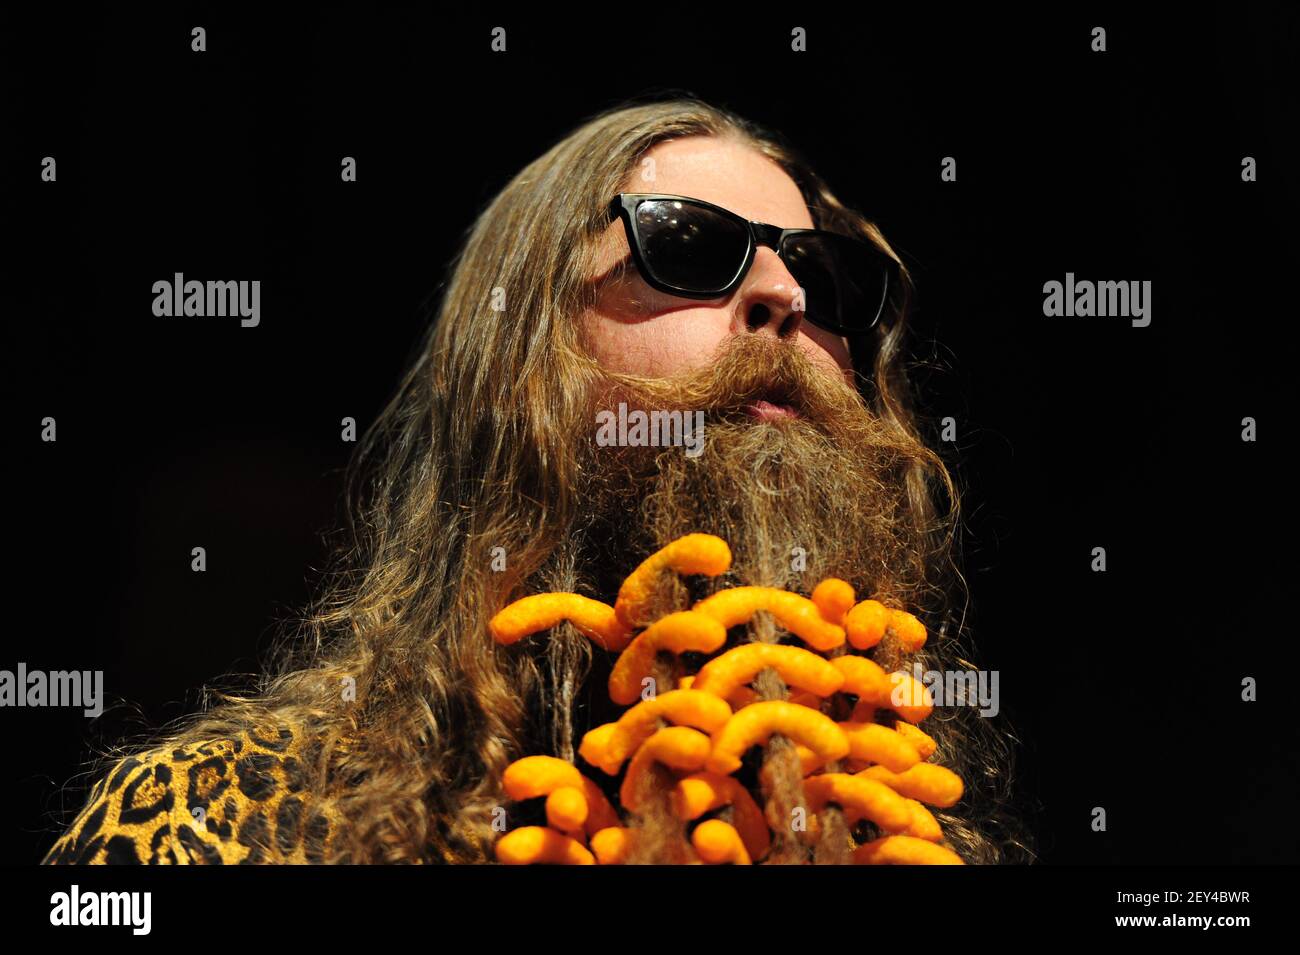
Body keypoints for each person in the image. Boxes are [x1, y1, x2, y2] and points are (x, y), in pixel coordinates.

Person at [42, 96, 1033, 865]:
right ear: (523, 362)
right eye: (689, 245)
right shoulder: (237, 816)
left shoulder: (914, 830)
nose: (783, 296)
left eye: (831, 278)